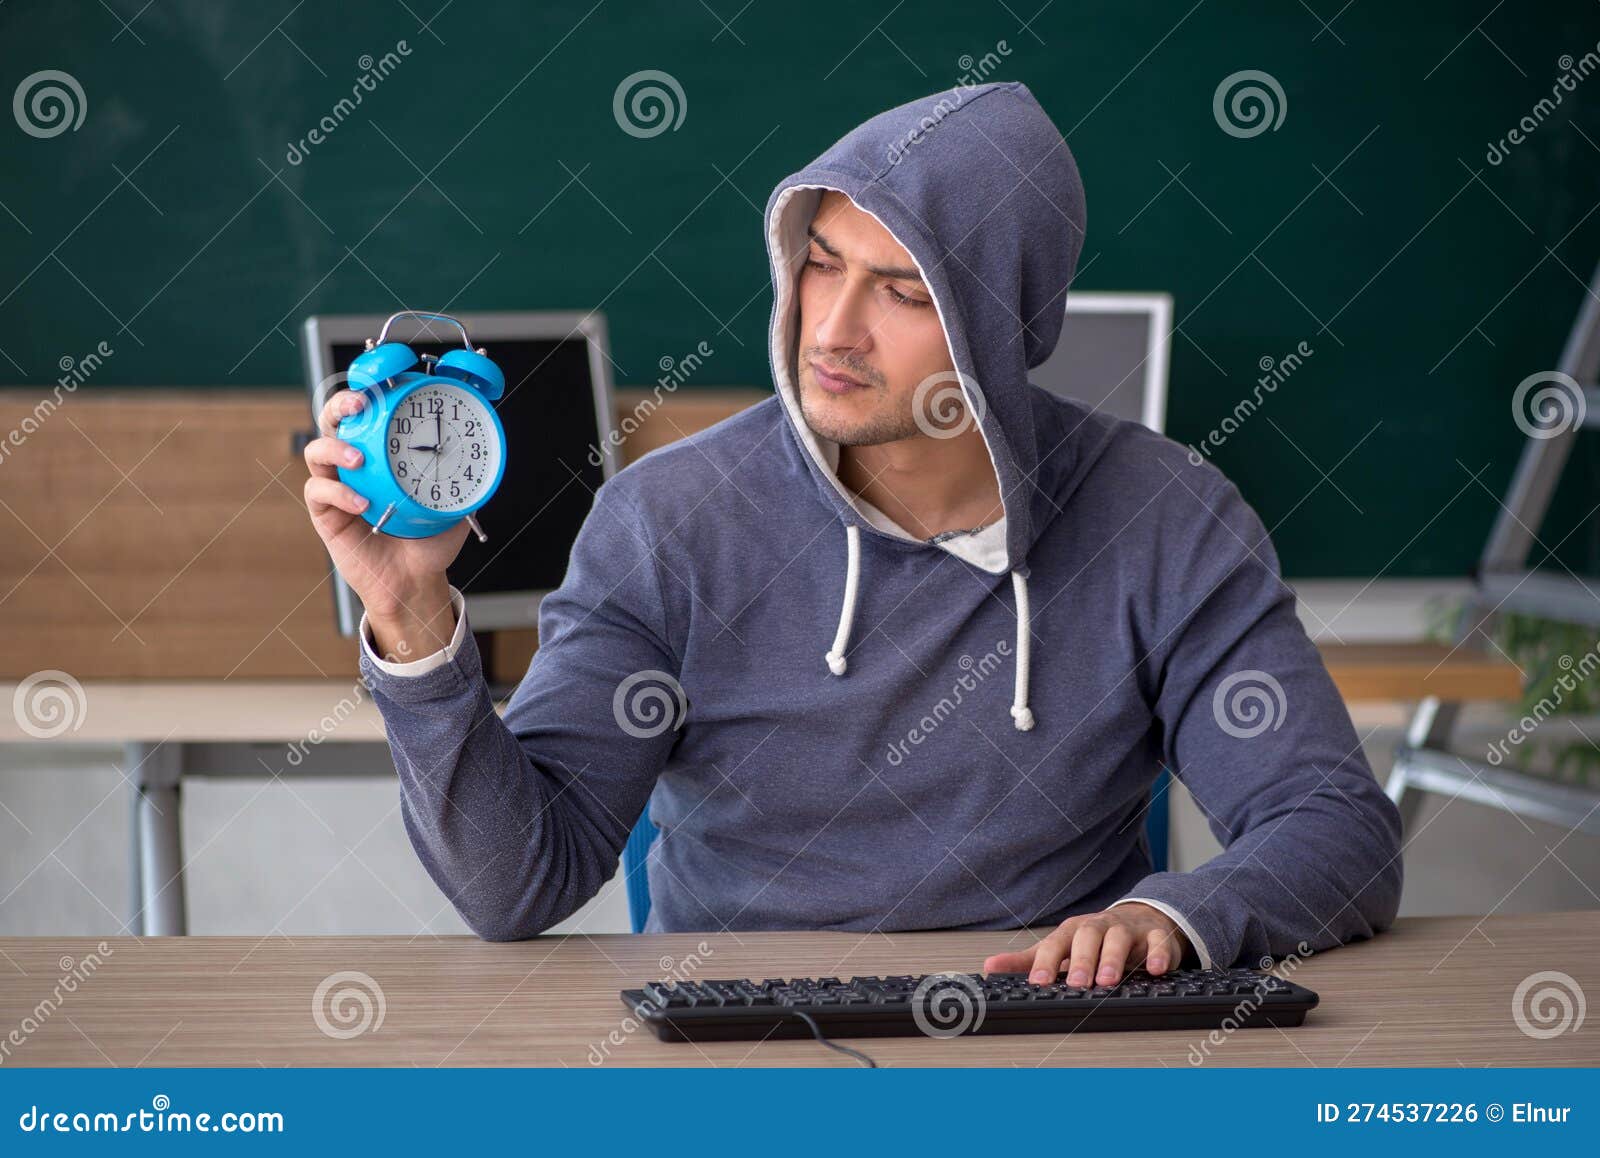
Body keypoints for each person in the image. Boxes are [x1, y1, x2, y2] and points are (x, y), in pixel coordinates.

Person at [302, 82, 1402, 990]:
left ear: (1001, 324)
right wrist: (406, 613)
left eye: (902, 291)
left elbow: (1336, 828)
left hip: (1050, 1046)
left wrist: (1178, 912)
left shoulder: (1165, 517)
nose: (829, 328)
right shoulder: (668, 520)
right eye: (820, 263)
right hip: (739, 1052)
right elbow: (515, 886)